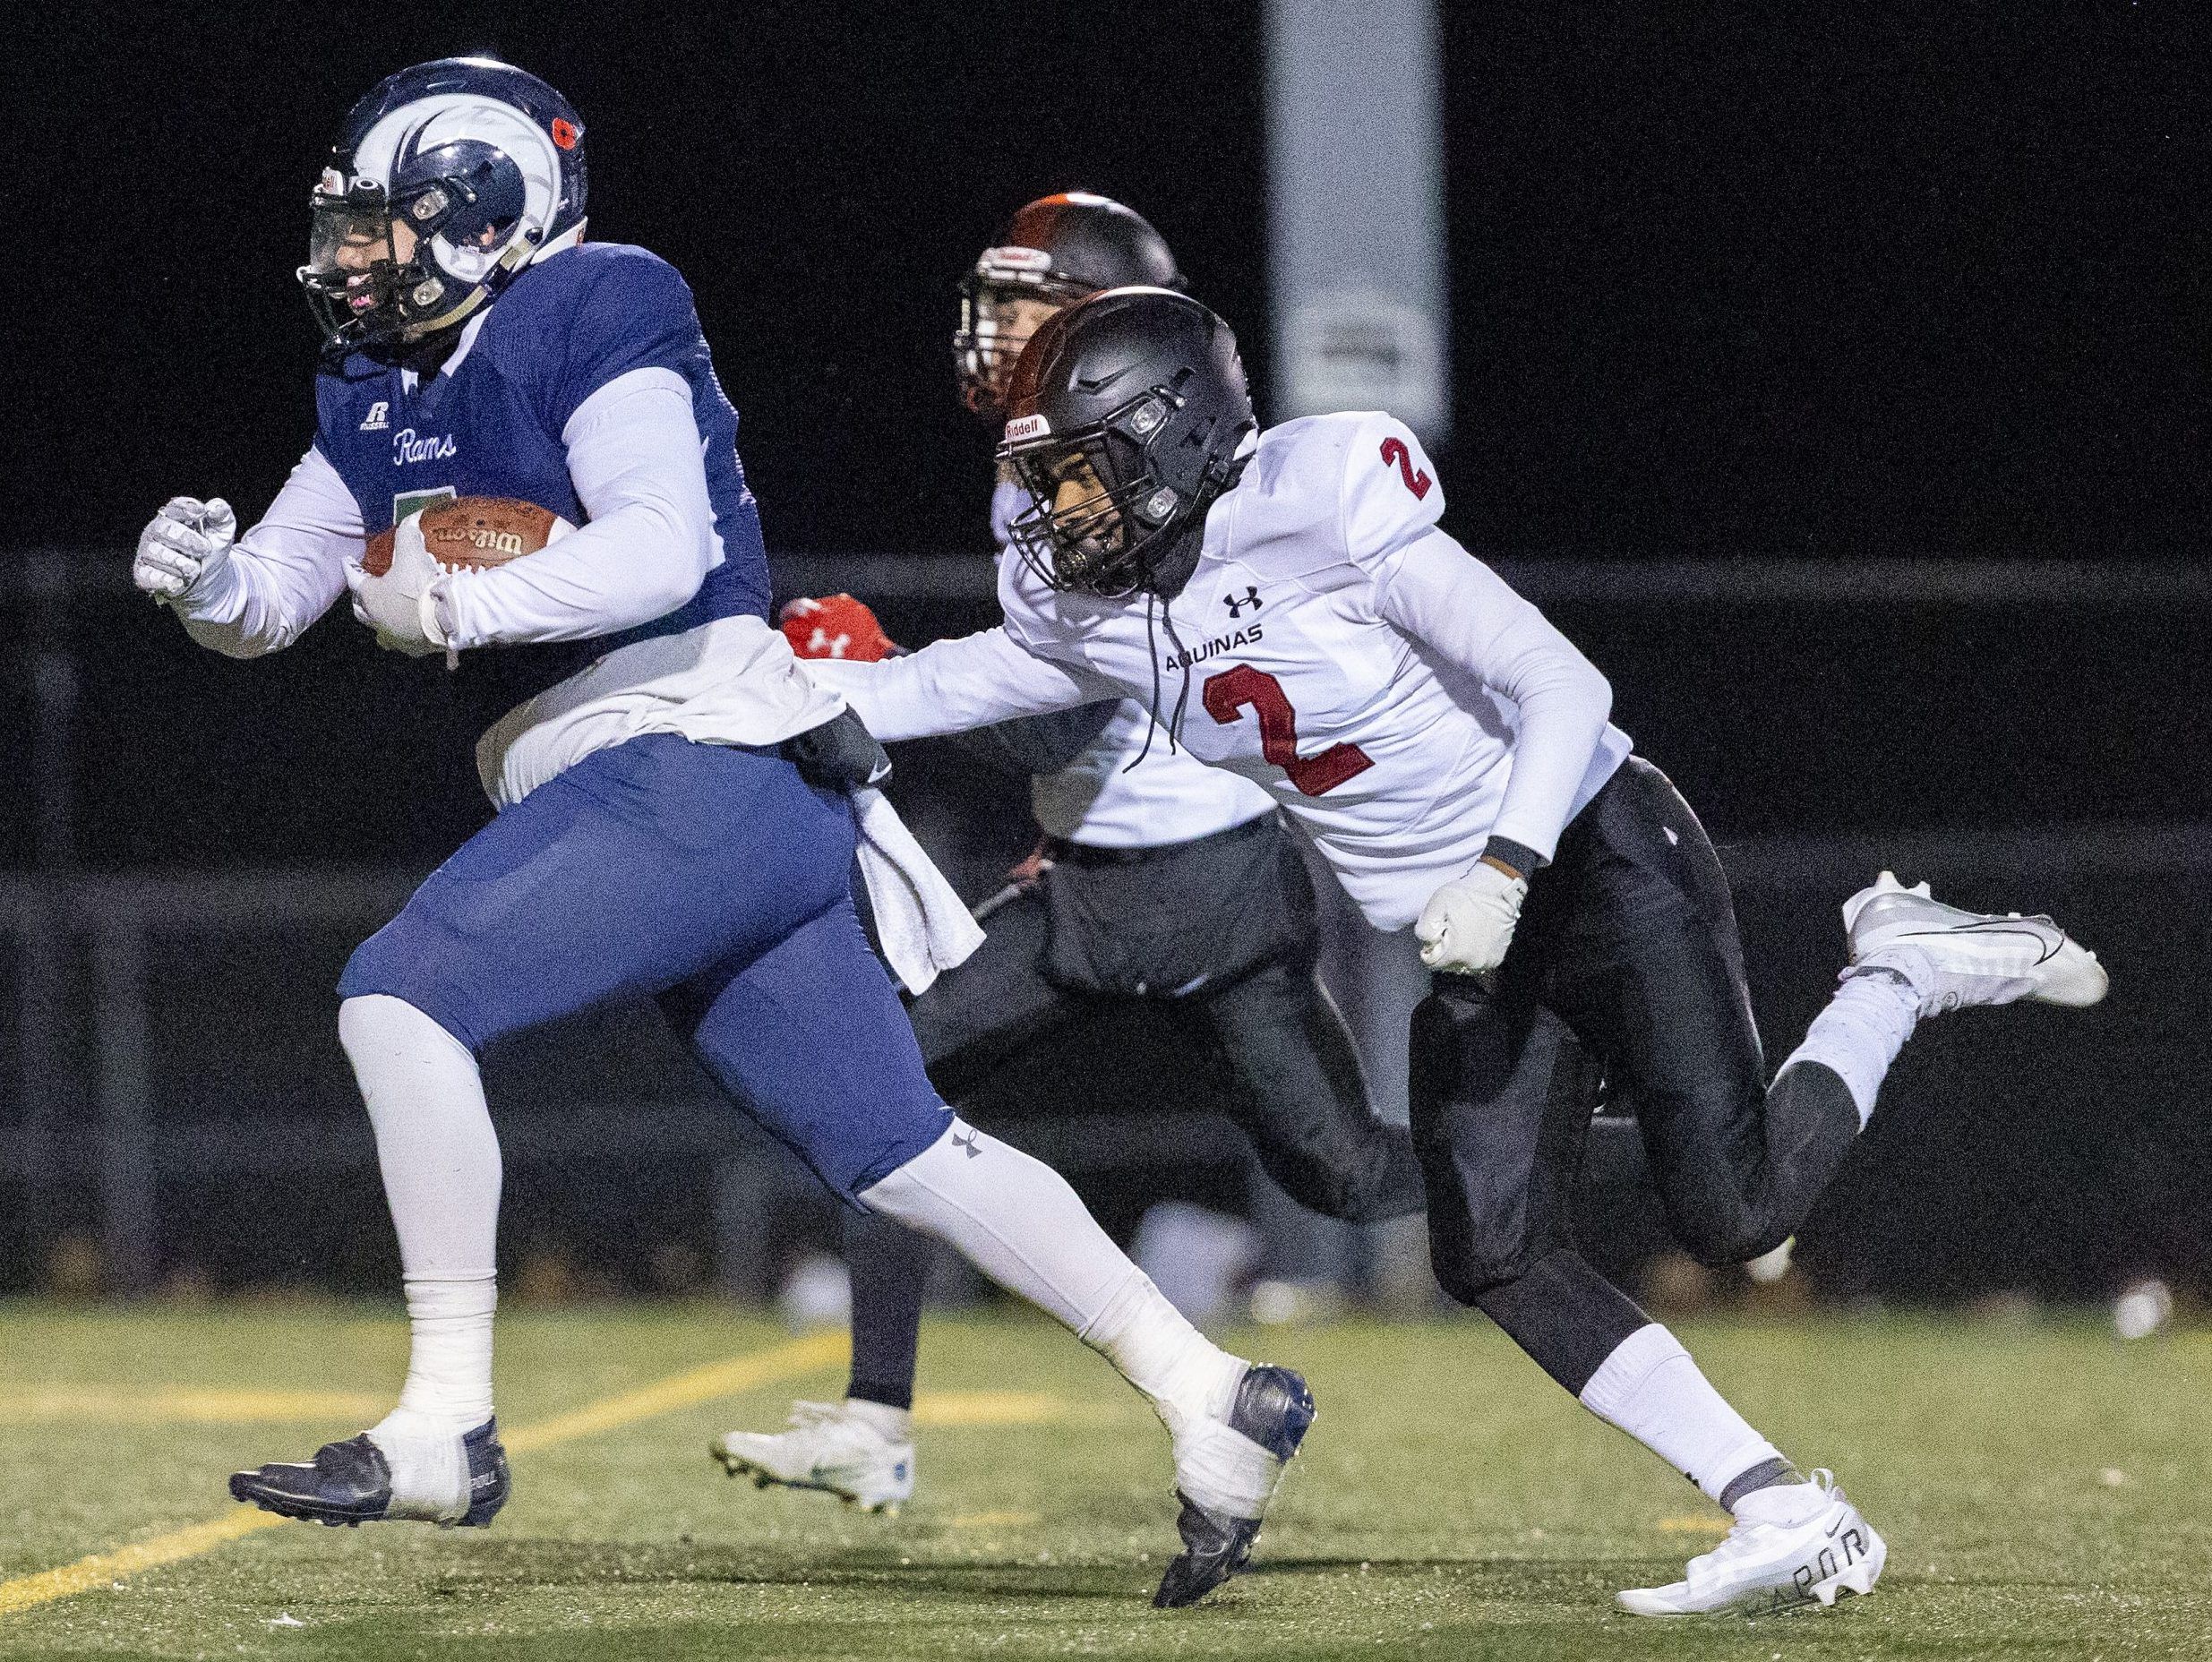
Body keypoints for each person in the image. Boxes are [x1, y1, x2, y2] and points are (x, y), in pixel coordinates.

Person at [129, 63, 1310, 1609]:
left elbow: (659, 549)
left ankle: (445, 1424)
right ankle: (1211, 1395)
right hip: (706, 791)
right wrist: (208, 586)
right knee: (901, 1149)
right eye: (344, 229)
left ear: (487, 213)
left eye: (381, 224)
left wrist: (463, 605)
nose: (351, 259)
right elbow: (285, 590)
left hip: (693, 749)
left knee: (400, 996)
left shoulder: (594, 301)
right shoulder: (374, 384)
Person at [795, 286, 2110, 1615]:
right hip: (1476, 941)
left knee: (1735, 1213)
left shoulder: (1322, 507)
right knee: (1491, 1248)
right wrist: (751, 685)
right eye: (1051, 478)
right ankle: (1784, 1506)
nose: (1060, 508)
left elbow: (1563, 684)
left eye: (1084, 470)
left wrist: (1502, 867)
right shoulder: (1100, 612)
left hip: (1597, 859)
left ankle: (1897, 968)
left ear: (1176, 433)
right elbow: (933, 687)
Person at [713, 193, 1422, 1517]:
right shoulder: (1042, 458)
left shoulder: (1127, 457)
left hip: (1206, 881)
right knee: (890, 1087)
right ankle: (874, 1422)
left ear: (1097, 320)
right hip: (1101, 870)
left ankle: (1598, 1125)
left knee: (1346, 1170)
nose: (992, 330)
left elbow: (1059, 708)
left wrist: (878, 667)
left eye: (1022, 303)